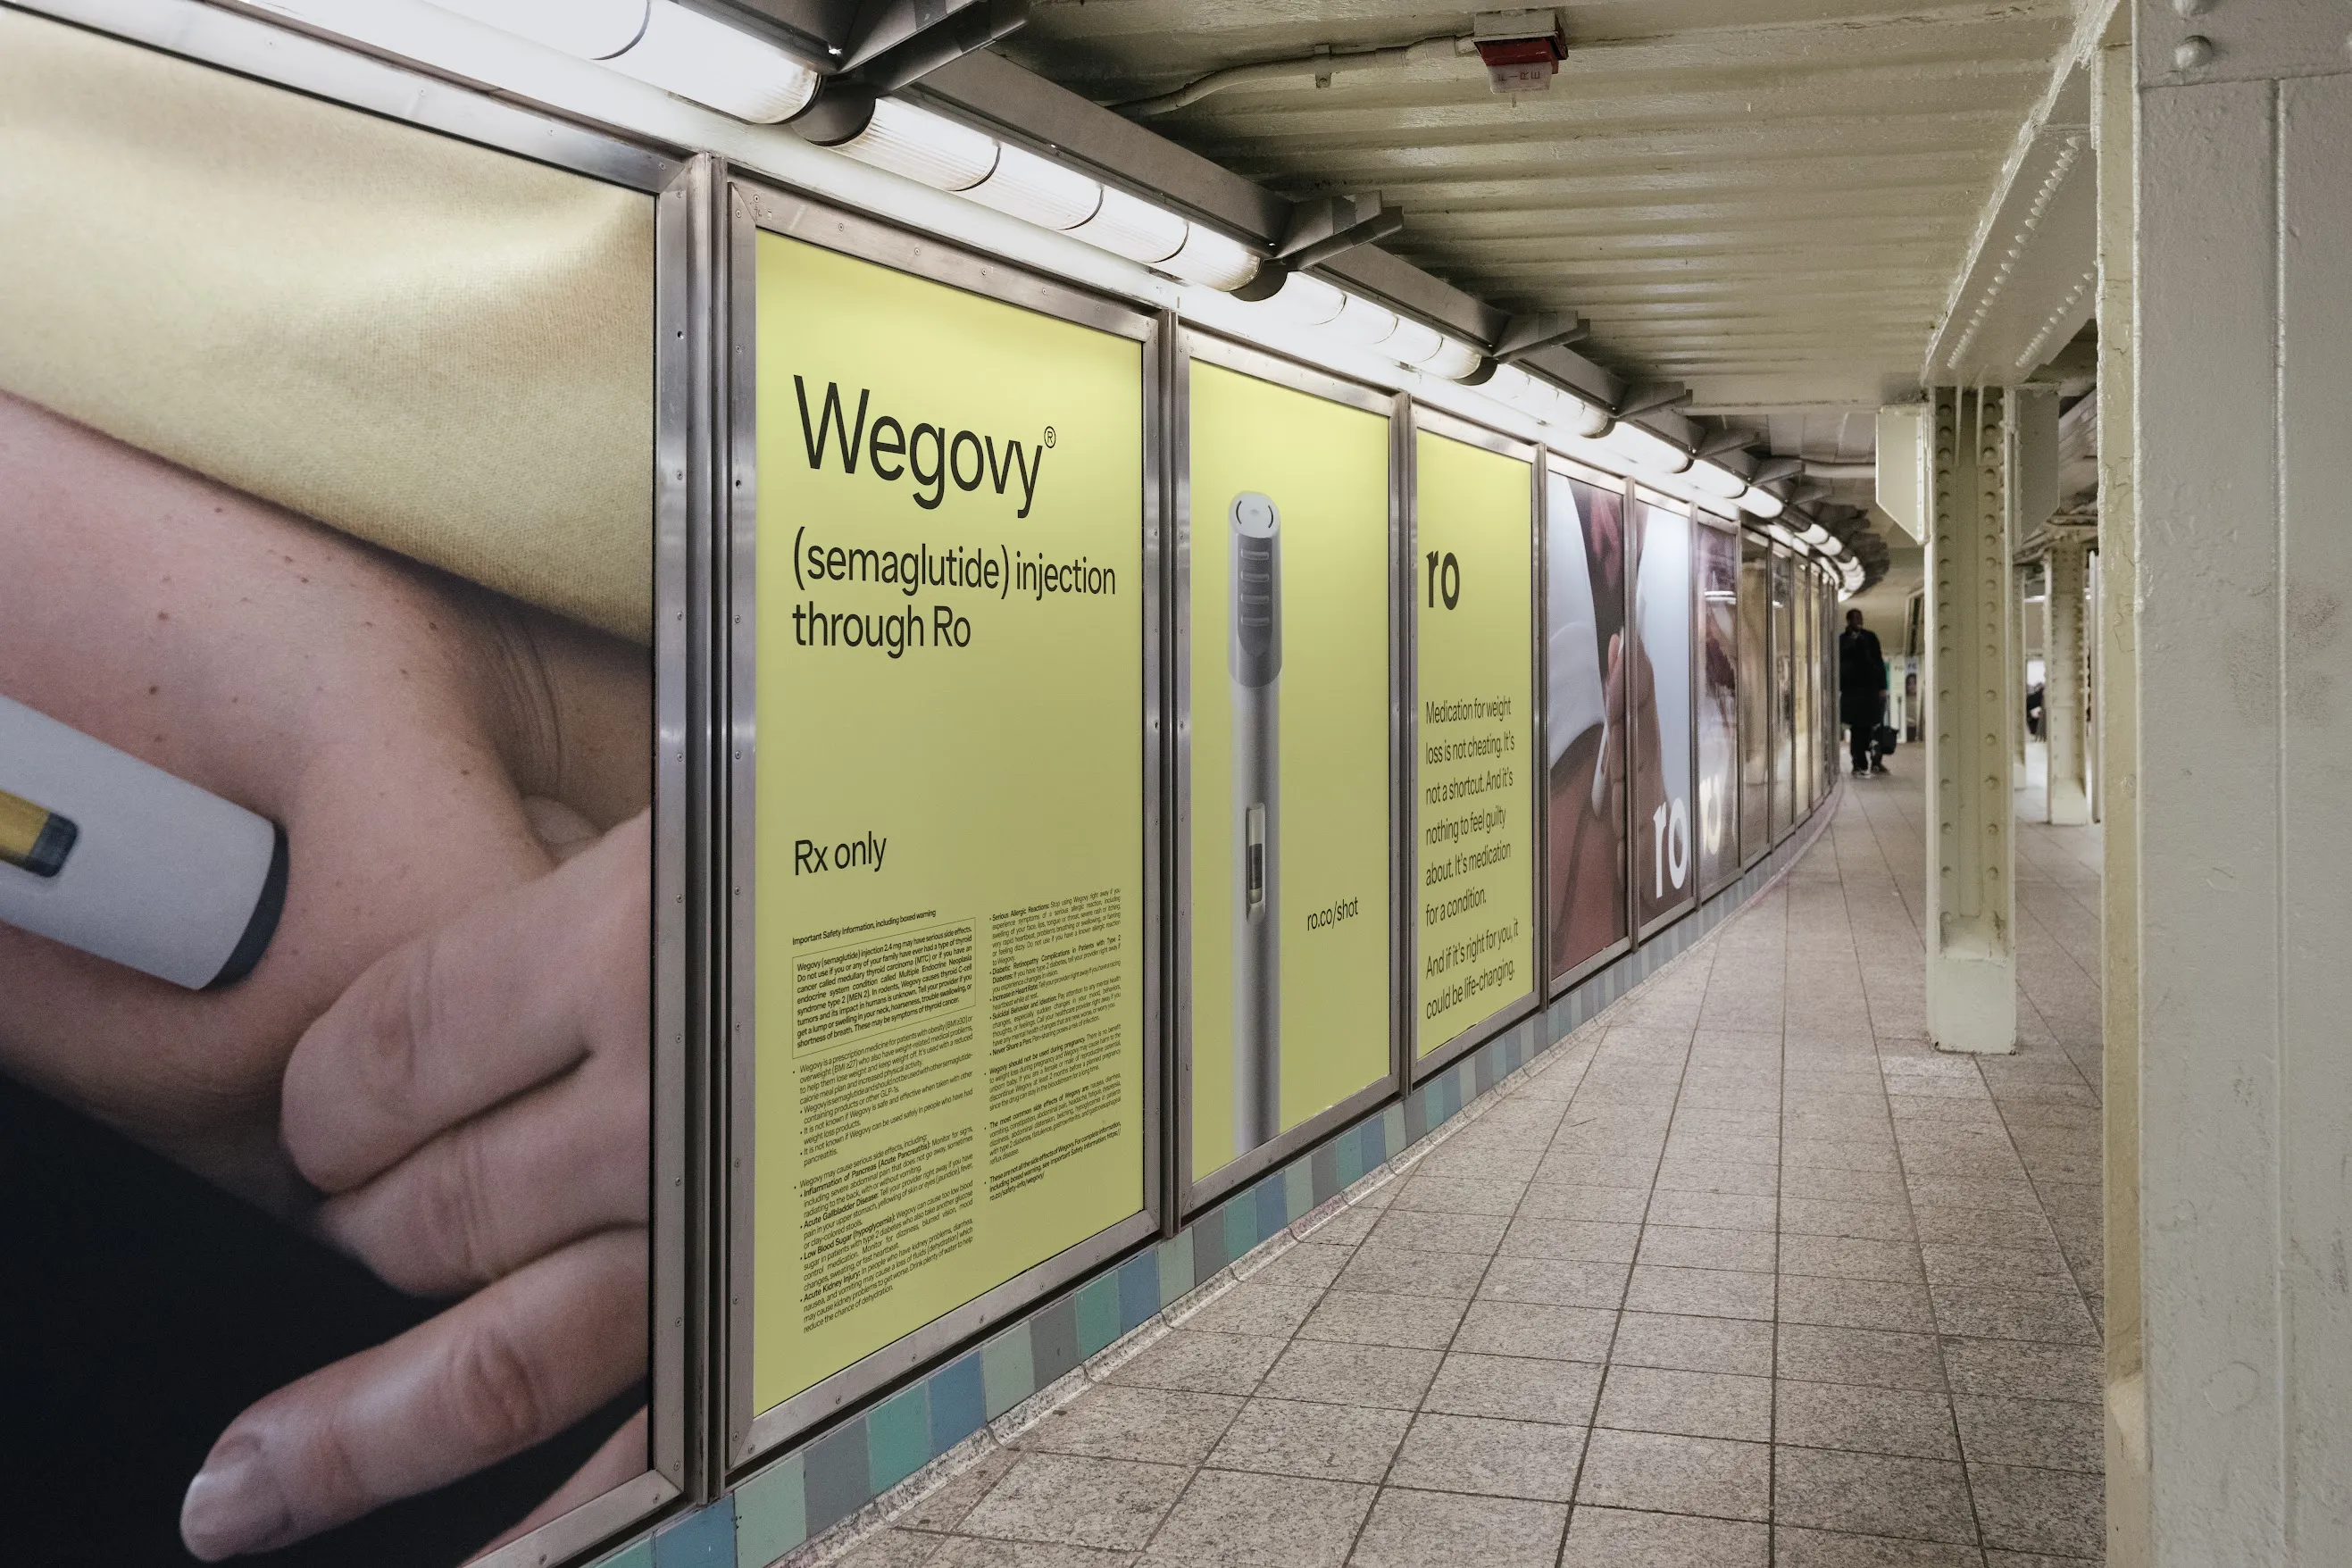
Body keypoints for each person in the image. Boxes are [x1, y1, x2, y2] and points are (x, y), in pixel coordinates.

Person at [1838, 608, 1888, 777]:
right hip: (1853, 692)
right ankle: (1858, 763)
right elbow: (1841, 662)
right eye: (1855, 618)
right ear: (1848, 621)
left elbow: (1878, 661)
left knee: (1872, 727)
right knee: (1857, 729)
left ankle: (1874, 761)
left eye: (1860, 618)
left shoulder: (1870, 637)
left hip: (1870, 690)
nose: (1859, 621)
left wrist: (1882, 686)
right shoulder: (1843, 640)